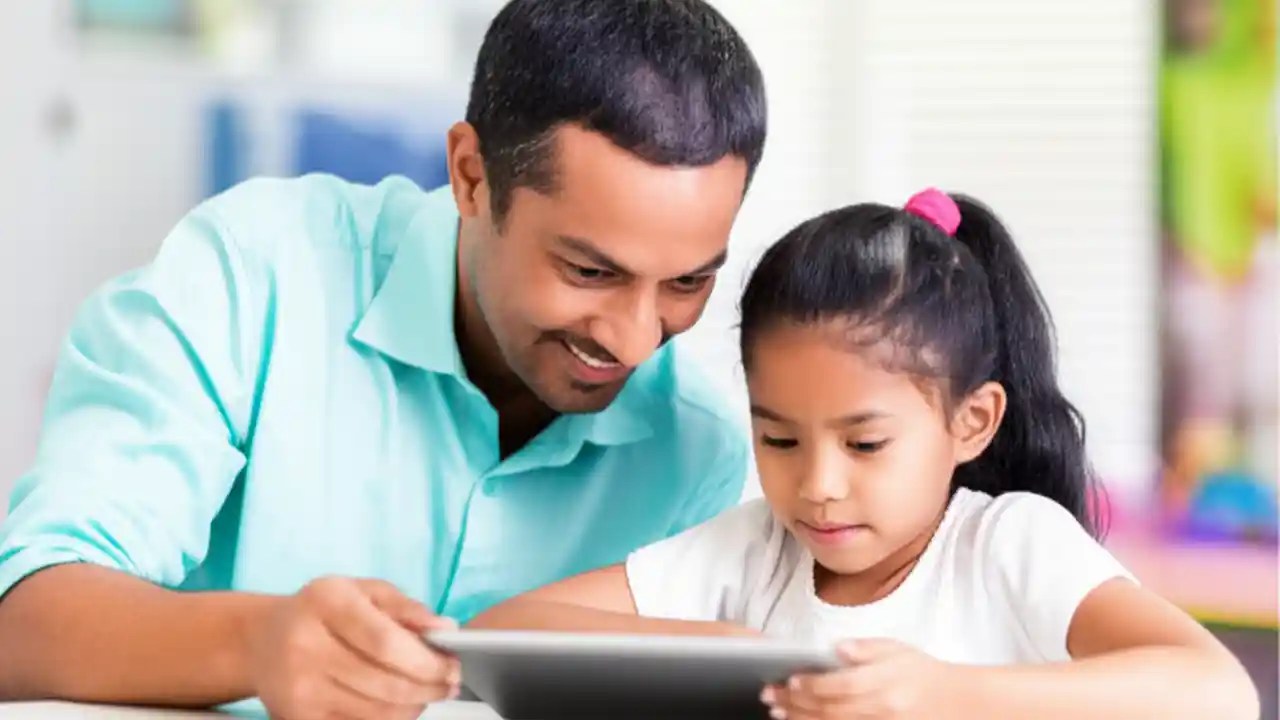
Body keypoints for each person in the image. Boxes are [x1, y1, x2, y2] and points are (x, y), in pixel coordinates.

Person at [0, 1, 765, 717]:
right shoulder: (251, 277)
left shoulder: (696, 449)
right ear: (471, 175)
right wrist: (258, 645)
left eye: (688, 281)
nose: (635, 340)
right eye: (589, 272)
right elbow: (23, 621)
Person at [471, 190, 1261, 719]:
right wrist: (734, 656)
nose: (817, 486)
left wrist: (944, 693)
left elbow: (1216, 691)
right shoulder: (751, 553)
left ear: (972, 422)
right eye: (778, 438)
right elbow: (505, 632)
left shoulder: (1005, 544)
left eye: (865, 443)